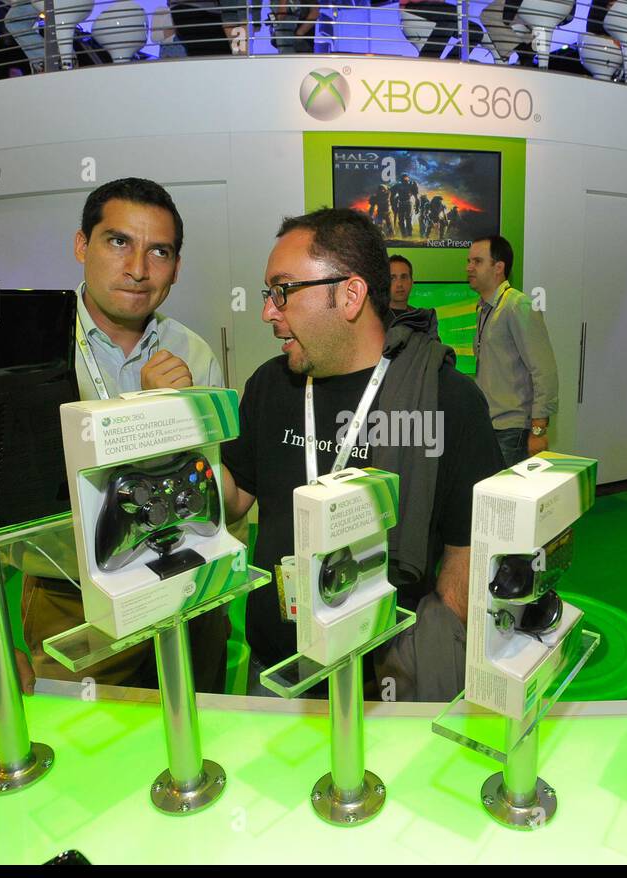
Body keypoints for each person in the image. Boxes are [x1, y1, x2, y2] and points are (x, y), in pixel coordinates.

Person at [0, 178, 228, 698]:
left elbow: (212, 491)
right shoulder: (17, 352)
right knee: (87, 761)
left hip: (187, 586)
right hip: (70, 596)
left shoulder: (194, 353)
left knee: (199, 732)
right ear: (81, 245)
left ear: (176, 267)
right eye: (118, 242)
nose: (138, 269)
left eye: (158, 251)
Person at [216, 208, 502, 700]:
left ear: (349, 295)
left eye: (282, 291)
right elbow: (235, 495)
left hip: (385, 679)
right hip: (274, 668)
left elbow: (467, 550)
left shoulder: (445, 399)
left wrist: (432, 656)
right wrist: (176, 441)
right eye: (268, 294)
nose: (268, 311)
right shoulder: (270, 385)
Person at [467, 235, 559, 469]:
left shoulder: (518, 306)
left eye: (477, 261)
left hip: (513, 430)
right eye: (468, 261)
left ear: (499, 267)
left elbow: (544, 370)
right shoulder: (483, 308)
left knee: (506, 501)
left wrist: (538, 430)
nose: (469, 267)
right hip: (489, 426)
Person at [388, 254, 440, 341]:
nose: (399, 284)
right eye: (392, 278)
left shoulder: (423, 319)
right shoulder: (375, 319)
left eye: (404, 277)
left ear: (412, 282)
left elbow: (435, 351)